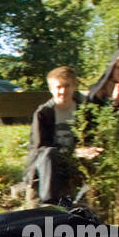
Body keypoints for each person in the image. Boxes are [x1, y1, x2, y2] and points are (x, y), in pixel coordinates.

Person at [22, 66, 101, 205]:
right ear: (51, 88)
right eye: (58, 87)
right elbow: (38, 147)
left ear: (74, 86)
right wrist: (29, 176)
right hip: (51, 161)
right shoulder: (44, 113)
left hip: (77, 160)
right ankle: (49, 203)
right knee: (49, 153)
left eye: (67, 86)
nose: (63, 91)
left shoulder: (84, 111)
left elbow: (91, 137)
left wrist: (90, 149)